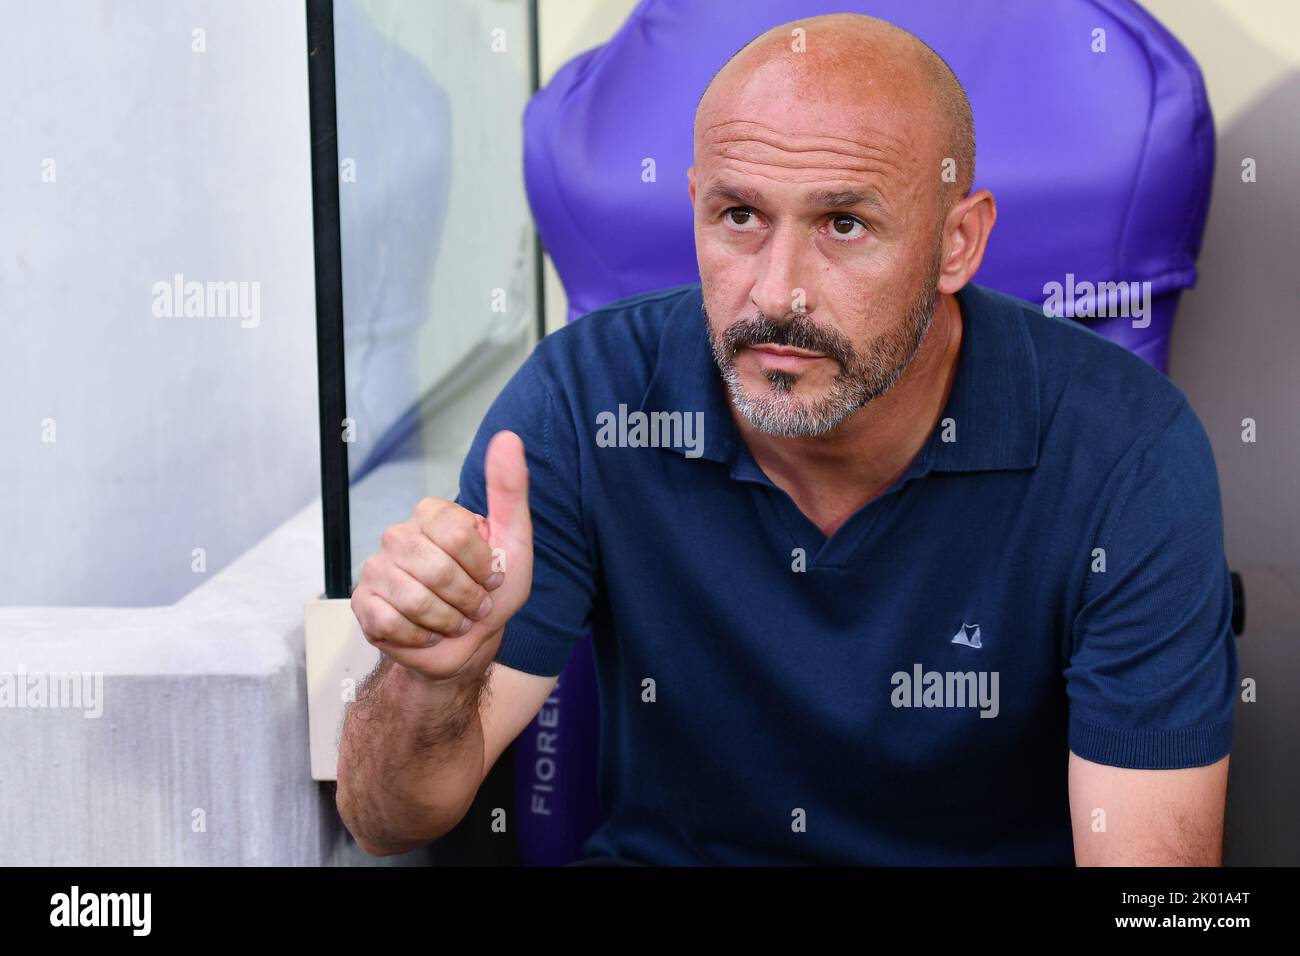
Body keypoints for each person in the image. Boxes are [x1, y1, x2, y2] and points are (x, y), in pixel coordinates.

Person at [337, 12, 1236, 865]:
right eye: (739, 217)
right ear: (693, 206)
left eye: (844, 225)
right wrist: (428, 681)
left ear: (958, 243)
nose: (778, 295)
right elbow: (383, 821)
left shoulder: (1128, 453)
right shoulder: (586, 401)